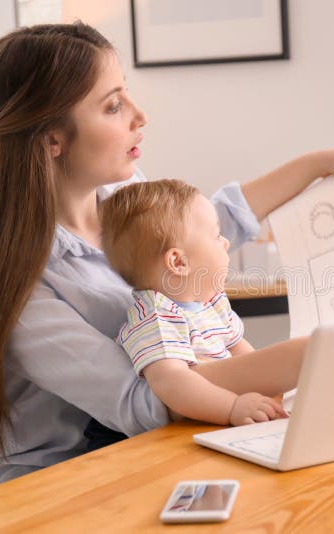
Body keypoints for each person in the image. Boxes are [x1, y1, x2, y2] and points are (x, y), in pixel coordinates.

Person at [0, 21, 334, 484]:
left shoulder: (120, 194)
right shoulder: (20, 284)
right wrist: (301, 358)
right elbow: (144, 401)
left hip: (148, 451)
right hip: (62, 484)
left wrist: (316, 166)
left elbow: (199, 232)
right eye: (113, 105)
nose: (139, 116)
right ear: (51, 140)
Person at [98, 179, 287, 430]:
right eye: (216, 235)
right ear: (178, 262)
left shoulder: (211, 302)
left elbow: (240, 350)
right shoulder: (155, 319)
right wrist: (232, 407)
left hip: (213, 417)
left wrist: (268, 383)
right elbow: (173, 383)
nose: (226, 242)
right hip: (189, 422)